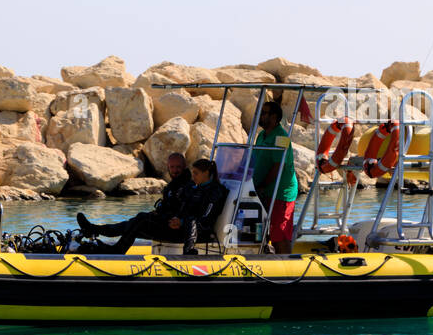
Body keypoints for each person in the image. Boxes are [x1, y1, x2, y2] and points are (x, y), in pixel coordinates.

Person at [80, 158, 229, 254]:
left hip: (195, 232)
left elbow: (205, 219)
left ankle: (112, 244)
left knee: (142, 220)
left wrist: (181, 222)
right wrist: (175, 219)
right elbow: (182, 209)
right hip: (179, 227)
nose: (193, 176)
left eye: (196, 173)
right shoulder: (195, 188)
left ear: (206, 173)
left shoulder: (216, 191)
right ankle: (105, 238)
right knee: (142, 218)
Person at [75, 152, 190, 243]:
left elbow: (186, 211)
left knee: (139, 220)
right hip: (164, 224)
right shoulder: (172, 186)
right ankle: (95, 229)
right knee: (134, 222)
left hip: (175, 230)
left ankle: (112, 245)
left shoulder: (188, 186)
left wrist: (179, 220)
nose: (175, 170)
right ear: (168, 167)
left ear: (184, 167)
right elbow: (167, 207)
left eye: (178, 167)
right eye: (172, 167)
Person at [251, 101, 299, 253]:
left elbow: (278, 167)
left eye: (264, 113)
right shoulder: (261, 136)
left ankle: (286, 268)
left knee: (279, 233)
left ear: (274, 117)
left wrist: (262, 186)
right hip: (262, 190)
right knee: (261, 229)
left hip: (280, 193)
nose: (260, 116)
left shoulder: (281, 138)